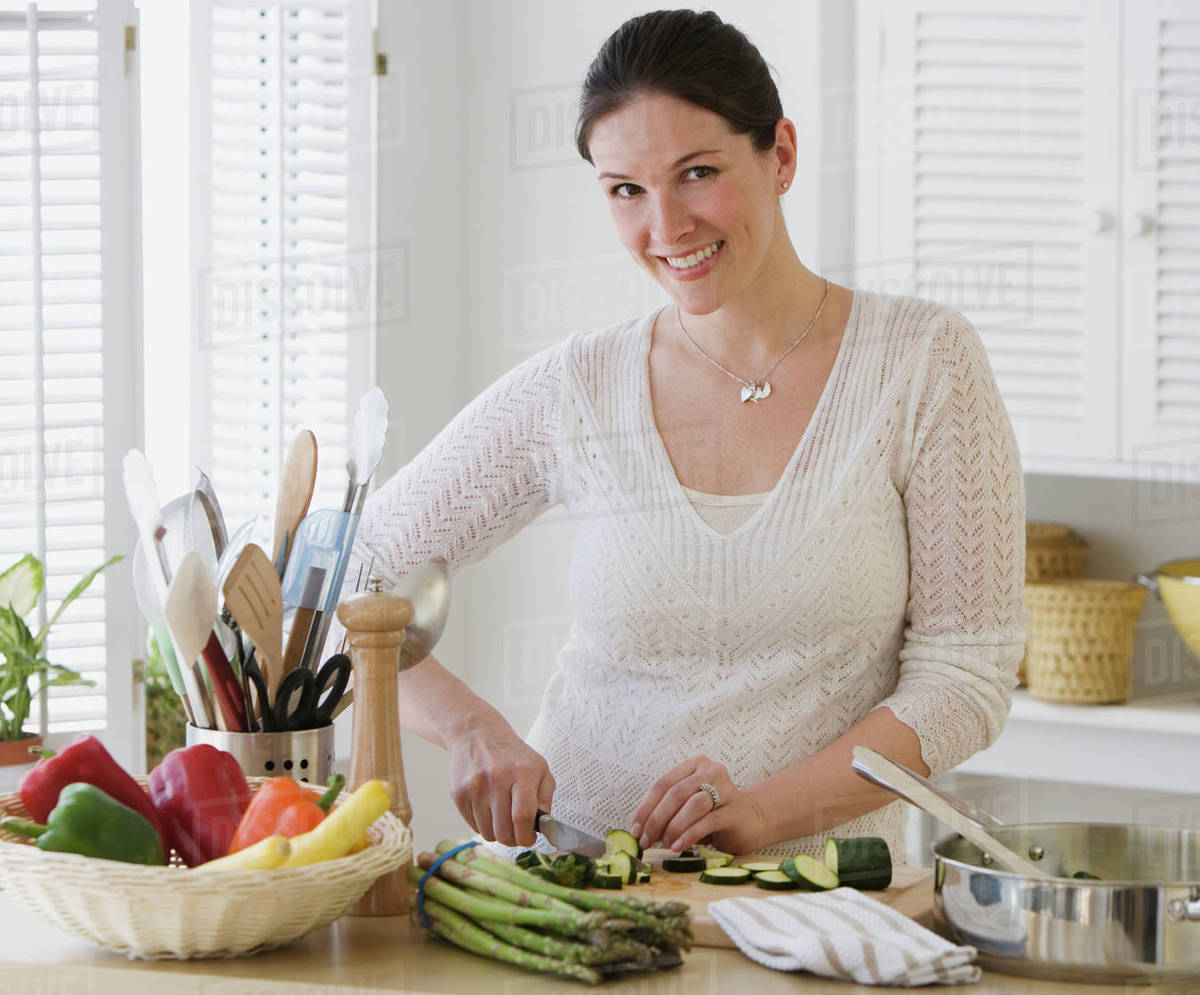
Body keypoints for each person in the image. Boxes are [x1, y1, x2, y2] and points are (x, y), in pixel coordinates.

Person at [344, 9, 1026, 861]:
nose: (666, 228)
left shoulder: (924, 362)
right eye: (626, 190)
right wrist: (470, 725)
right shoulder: (579, 387)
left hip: (816, 907)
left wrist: (767, 812)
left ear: (780, 155)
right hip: (576, 888)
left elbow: (966, 677)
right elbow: (343, 582)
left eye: (697, 173)